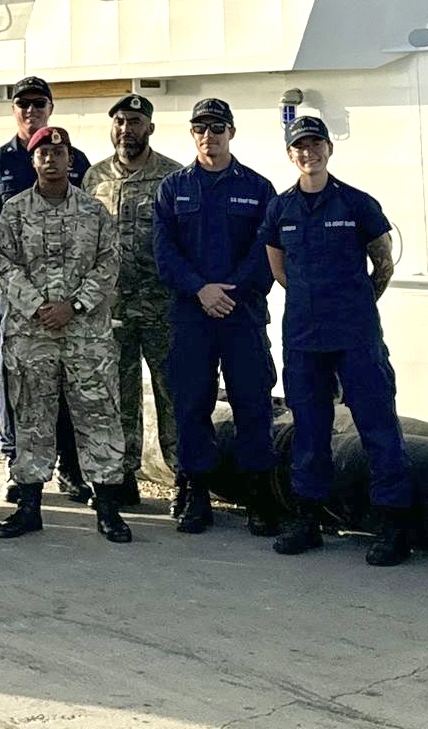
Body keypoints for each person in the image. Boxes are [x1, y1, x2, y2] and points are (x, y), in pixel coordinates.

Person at [262, 115, 415, 567]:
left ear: (329, 149)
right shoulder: (281, 209)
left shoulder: (356, 204)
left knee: (377, 424)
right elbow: (279, 268)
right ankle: (308, 518)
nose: (308, 153)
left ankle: (392, 524)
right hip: (304, 337)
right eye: (299, 147)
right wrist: (315, 302)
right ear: (290, 154)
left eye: (315, 145)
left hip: (356, 335)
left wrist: (357, 305)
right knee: (309, 429)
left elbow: (383, 264)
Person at [0, 127, 131, 544]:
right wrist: (37, 306)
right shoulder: (14, 212)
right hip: (31, 334)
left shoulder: (94, 211)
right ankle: (29, 507)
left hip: (85, 335)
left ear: (71, 159)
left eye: (59, 152)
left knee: (99, 416)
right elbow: (4, 264)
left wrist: (74, 306)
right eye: (43, 153)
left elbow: (109, 262)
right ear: (33, 161)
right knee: (33, 418)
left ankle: (108, 507)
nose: (51, 159)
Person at [155, 98, 280, 537]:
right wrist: (200, 290)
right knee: (191, 405)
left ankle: (259, 497)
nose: (209, 136)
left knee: (252, 404)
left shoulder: (259, 187)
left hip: (241, 314)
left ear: (231, 132)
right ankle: (196, 494)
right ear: (193, 134)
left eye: (218, 128)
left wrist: (229, 291)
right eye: (201, 129)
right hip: (192, 316)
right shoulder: (173, 188)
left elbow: (265, 251)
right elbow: (164, 252)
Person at [0, 77, 93, 501]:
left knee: (65, 382)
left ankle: (69, 466)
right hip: (16, 297)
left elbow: (93, 225)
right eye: (22, 104)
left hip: (69, 299)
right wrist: (27, 297)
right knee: (13, 381)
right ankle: (15, 460)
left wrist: (72, 300)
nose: (31, 110)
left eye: (38, 103)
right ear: (13, 110)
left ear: (50, 107)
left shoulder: (76, 158)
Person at [82, 93, 183, 510]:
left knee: (173, 397)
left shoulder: (173, 177)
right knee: (117, 397)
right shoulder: (94, 178)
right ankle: (123, 478)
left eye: (136, 122)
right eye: (120, 121)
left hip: (163, 309)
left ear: (151, 129)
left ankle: (185, 480)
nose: (127, 130)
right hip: (112, 310)